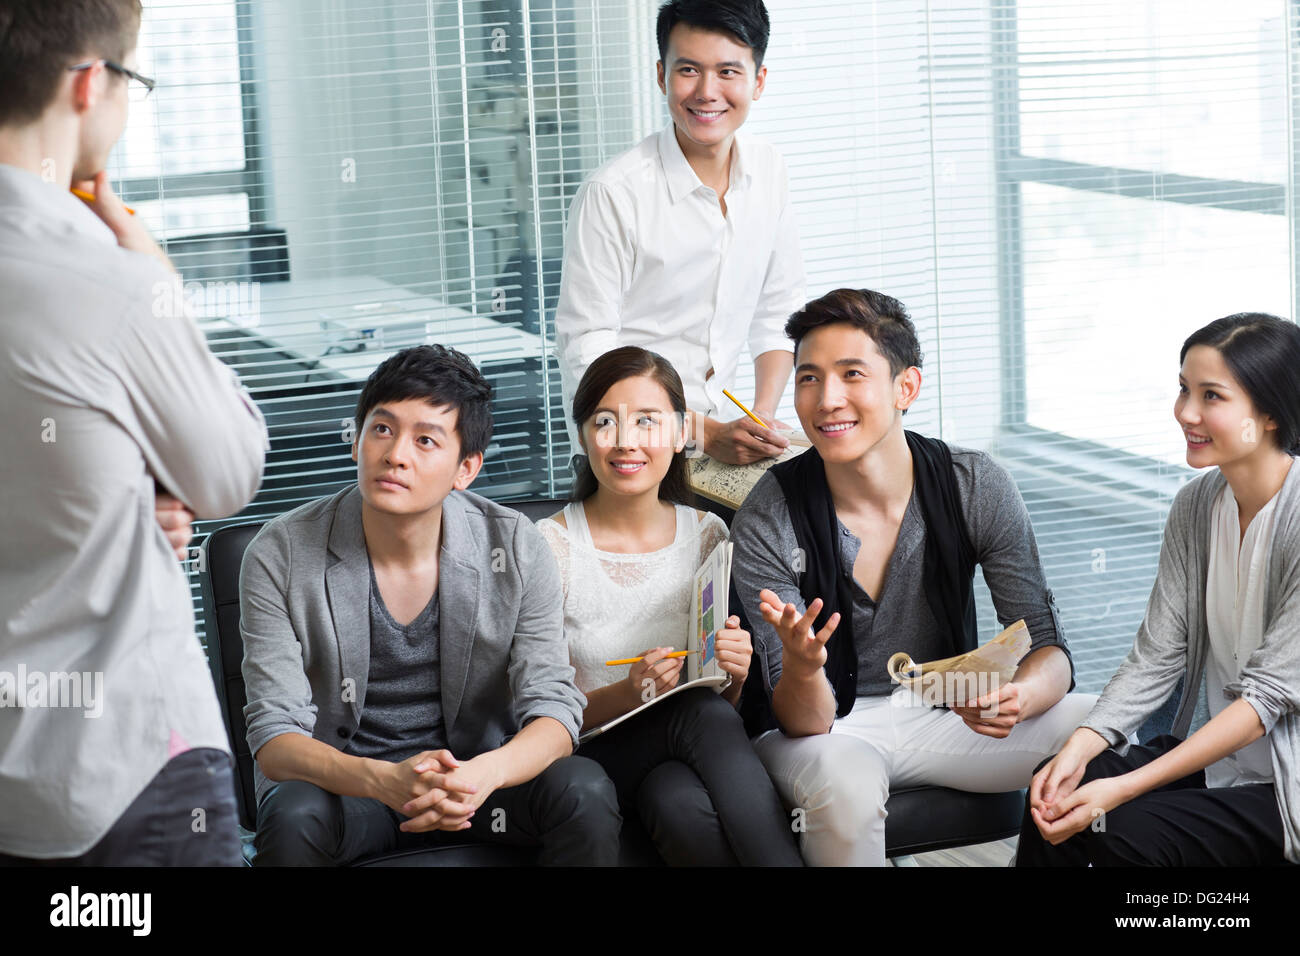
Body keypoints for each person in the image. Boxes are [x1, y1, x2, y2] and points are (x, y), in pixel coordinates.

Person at [0, 0, 269, 865]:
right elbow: (227, 472)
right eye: (133, 82)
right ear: (89, 83)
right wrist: (157, 280)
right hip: (120, 771)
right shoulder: (103, 282)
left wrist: (108, 499)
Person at [729, 288, 1097, 866]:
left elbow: (1049, 648)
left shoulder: (974, 484)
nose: (828, 400)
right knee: (844, 779)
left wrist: (1018, 697)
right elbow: (805, 720)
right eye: (808, 378)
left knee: (1100, 729)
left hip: (940, 716)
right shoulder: (768, 516)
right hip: (825, 733)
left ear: (906, 388)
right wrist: (802, 665)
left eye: (852, 374)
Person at [241, 345, 622, 866]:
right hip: (355, 792)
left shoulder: (513, 547)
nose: (396, 454)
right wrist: (384, 780)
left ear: (466, 468)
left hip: (478, 788)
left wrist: (480, 775)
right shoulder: (281, 552)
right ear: (356, 440)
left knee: (584, 788)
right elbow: (274, 736)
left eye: (425, 440)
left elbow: (555, 708)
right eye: (382, 429)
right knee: (293, 813)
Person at [1018, 313, 1300, 867]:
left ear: (1268, 413)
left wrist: (1125, 787)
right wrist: (1082, 744)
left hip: (1284, 786)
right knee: (1052, 788)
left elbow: (1265, 700)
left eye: (1211, 396)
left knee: (1116, 829)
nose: (1186, 413)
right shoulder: (1196, 506)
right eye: (1183, 389)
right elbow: (1157, 656)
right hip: (1223, 768)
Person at [536, 346, 803, 865]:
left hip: (679, 749)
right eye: (605, 421)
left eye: (647, 422)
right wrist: (630, 692)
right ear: (584, 434)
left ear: (682, 434)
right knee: (697, 715)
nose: (625, 441)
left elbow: (718, 708)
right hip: (583, 758)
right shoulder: (548, 545)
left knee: (678, 802)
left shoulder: (708, 534)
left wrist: (735, 675)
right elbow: (536, 713)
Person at [554, 0, 804, 466]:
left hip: (721, 442)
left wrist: (763, 416)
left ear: (759, 80)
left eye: (728, 72)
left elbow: (778, 310)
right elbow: (588, 351)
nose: (707, 92)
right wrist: (699, 432)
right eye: (688, 70)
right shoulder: (613, 192)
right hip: (626, 447)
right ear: (661, 76)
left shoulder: (770, 169)